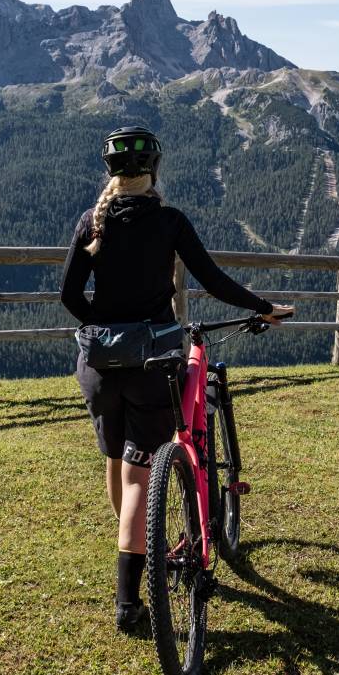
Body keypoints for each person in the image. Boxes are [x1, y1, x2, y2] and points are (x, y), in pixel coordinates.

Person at [61, 126, 291, 633]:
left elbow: (70, 296)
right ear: (155, 169)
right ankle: (128, 604)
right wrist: (262, 306)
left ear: (110, 171)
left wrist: (106, 329)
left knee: (115, 460)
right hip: (153, 364)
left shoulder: (90, 221)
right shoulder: (169, 221)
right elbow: (212, 279)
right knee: (139, 476)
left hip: (98, 367)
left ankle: (136, 540)